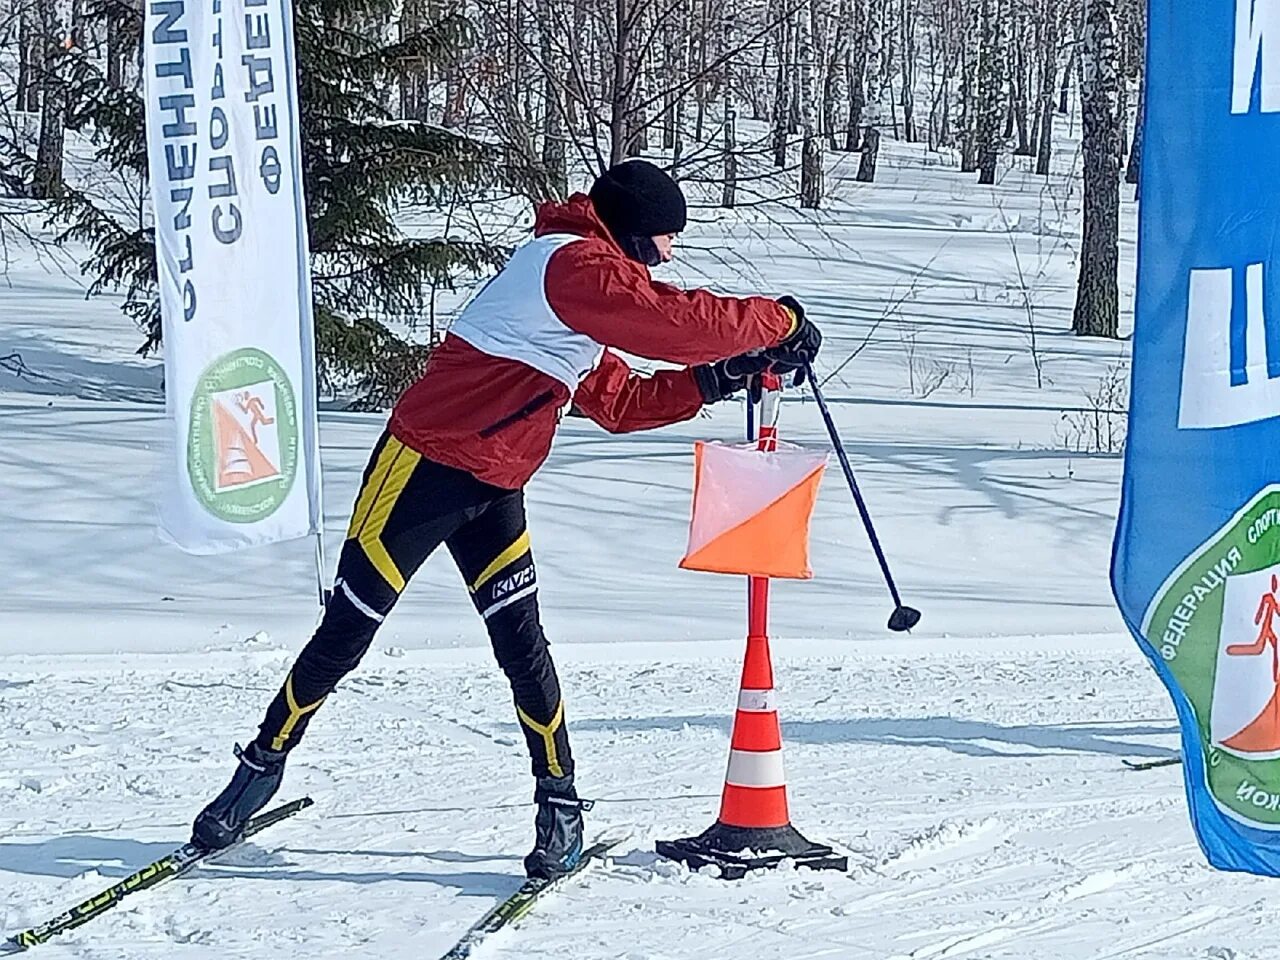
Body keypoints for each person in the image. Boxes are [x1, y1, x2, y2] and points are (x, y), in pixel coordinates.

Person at [190, 159, 823, 878]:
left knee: (522, 644)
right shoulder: (572, 265)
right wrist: (778, 320)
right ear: (632, 232)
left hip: (493, 483)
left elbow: (618, 403)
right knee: (349, 629)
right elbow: (669, 324)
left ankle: (560, 808)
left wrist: (717, 378)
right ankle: (255, 774)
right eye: (665, 238)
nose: (669, 254)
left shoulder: (580, 290)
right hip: (421, 469)